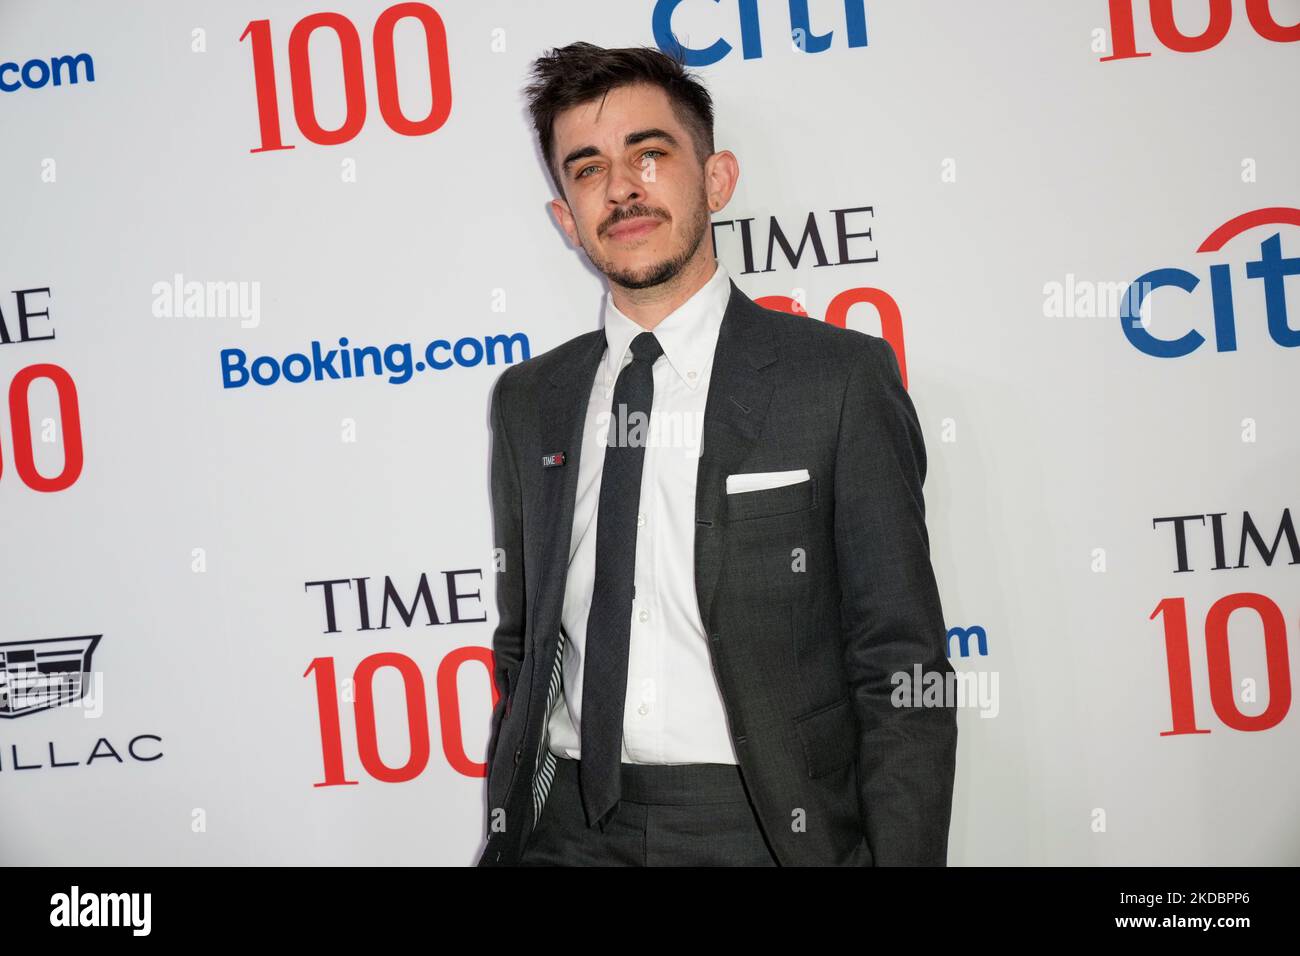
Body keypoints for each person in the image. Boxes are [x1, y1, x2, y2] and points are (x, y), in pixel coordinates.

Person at [476, 42, 957, 866]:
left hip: (765, 826)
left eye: (650, 155)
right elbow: (524, 646)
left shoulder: (836, 380)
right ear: (565, 216)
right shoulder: (531, 401)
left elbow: (901, 666)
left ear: (718, 179)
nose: (622, 187)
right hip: (567, 833)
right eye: (587, 170)